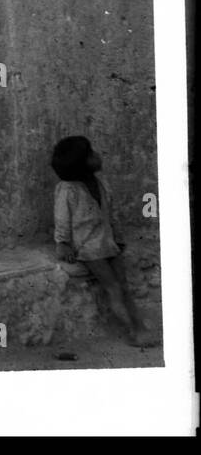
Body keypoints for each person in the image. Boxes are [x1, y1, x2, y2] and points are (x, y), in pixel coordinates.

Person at [50, 135, 151, 346]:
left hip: (107, 242)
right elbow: (62, 219)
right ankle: (134, 330)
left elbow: (109, 214)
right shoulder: (68, 190)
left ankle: (139, 326)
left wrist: (117, 237)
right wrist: (63, 242)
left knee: (123, 285)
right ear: (81, 164)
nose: (97, 156)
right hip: (88, 248)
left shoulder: (100, 183)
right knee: (113, 287)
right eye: (91, 154)